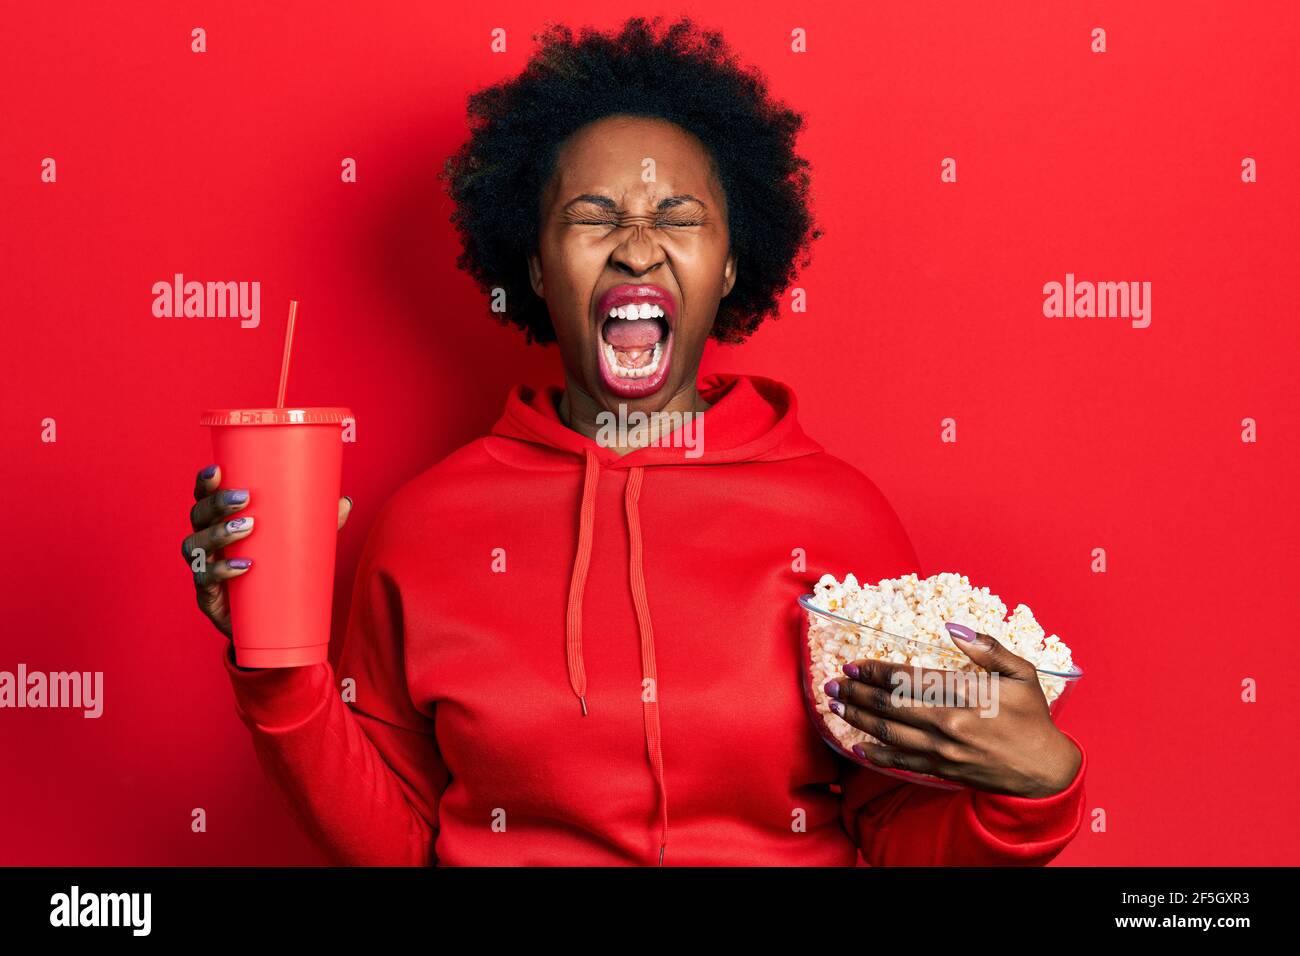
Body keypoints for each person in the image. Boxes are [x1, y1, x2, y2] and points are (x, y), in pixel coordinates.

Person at [181, 15, 1085, 866]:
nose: (638, 249)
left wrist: (1034, 791)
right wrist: (279, 671)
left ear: (731, 263)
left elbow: (895, 827)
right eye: (592, 216)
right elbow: (395, 843)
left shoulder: (840, 517)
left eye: (680, 217)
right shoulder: (423, 526)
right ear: (535, 264)